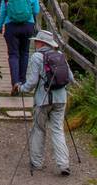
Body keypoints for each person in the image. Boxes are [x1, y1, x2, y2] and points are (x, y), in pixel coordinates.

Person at [23, 29, 75, 176]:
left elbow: (32, 83)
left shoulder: (36, 57)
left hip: (42, 100)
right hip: (61, 99)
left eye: (36, 41)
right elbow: (70, 78)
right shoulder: (60, 56)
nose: (35, 43)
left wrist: (21, 88)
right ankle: (64, 164)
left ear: (40, 42)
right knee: (58, 130)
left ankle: (36, 163)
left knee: (39, 129)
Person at [0, 0, 40, 94]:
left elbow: (3, 9)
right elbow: (36, 10)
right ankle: (23, 83)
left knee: (13, 54)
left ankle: (15, 83)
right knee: (25, 53)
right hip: (28, 24)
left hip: (11, 25)